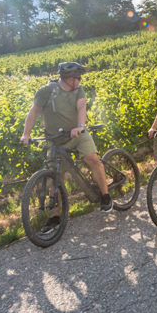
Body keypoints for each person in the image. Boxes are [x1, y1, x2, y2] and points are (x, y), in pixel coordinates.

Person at [20, 62, 113, 219]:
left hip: (77, 134)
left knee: (92, 158)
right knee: (56, 177)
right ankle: (55, 217)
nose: (80, 81)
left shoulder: (78, 90)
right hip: (55, 140)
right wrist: (26, 134)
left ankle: (105, 196)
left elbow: (82, 107)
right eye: (79, 78)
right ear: (71, 78)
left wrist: (80, 126)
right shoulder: (46, 91)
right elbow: (33, 112)